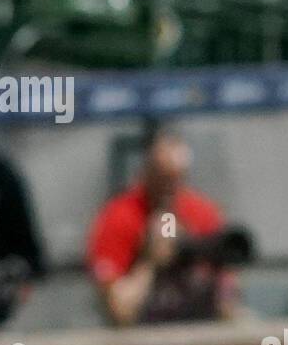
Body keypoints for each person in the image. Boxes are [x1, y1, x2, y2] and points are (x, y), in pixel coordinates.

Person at [86, 129, 241, 326]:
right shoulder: (120, 215)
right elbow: (120, 312)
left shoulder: (201, 211)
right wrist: (150, 260)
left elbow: (229, 302)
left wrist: (198, 259)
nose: (170, 187)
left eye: (177, 178)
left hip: (200, 321)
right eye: (163, 177)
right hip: (141, 330)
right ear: (147, 173)